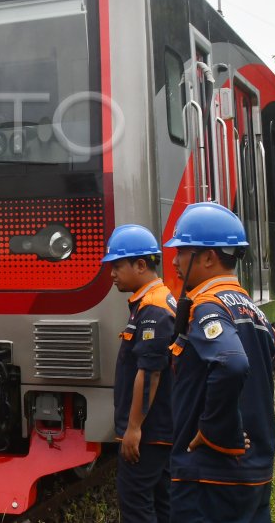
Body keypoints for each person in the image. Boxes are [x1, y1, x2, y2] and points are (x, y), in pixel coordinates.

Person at [166, 202, 275, 523]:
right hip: (255, 469)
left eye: (182, 252)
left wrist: (217, 432)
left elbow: (231, 364)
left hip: (210, 475)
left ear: (208, 257)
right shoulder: (252, 309)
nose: (174, 261)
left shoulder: (208, 307)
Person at [103, 224, 175, 523]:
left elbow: (150, 373)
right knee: (161, 502)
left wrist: (133, 429)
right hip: (158, 430)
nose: (112, 274)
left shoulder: (154, 309)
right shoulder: (154, 302)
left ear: (141, 265)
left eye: (117, 265)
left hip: (149, 433)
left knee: (136, 503)